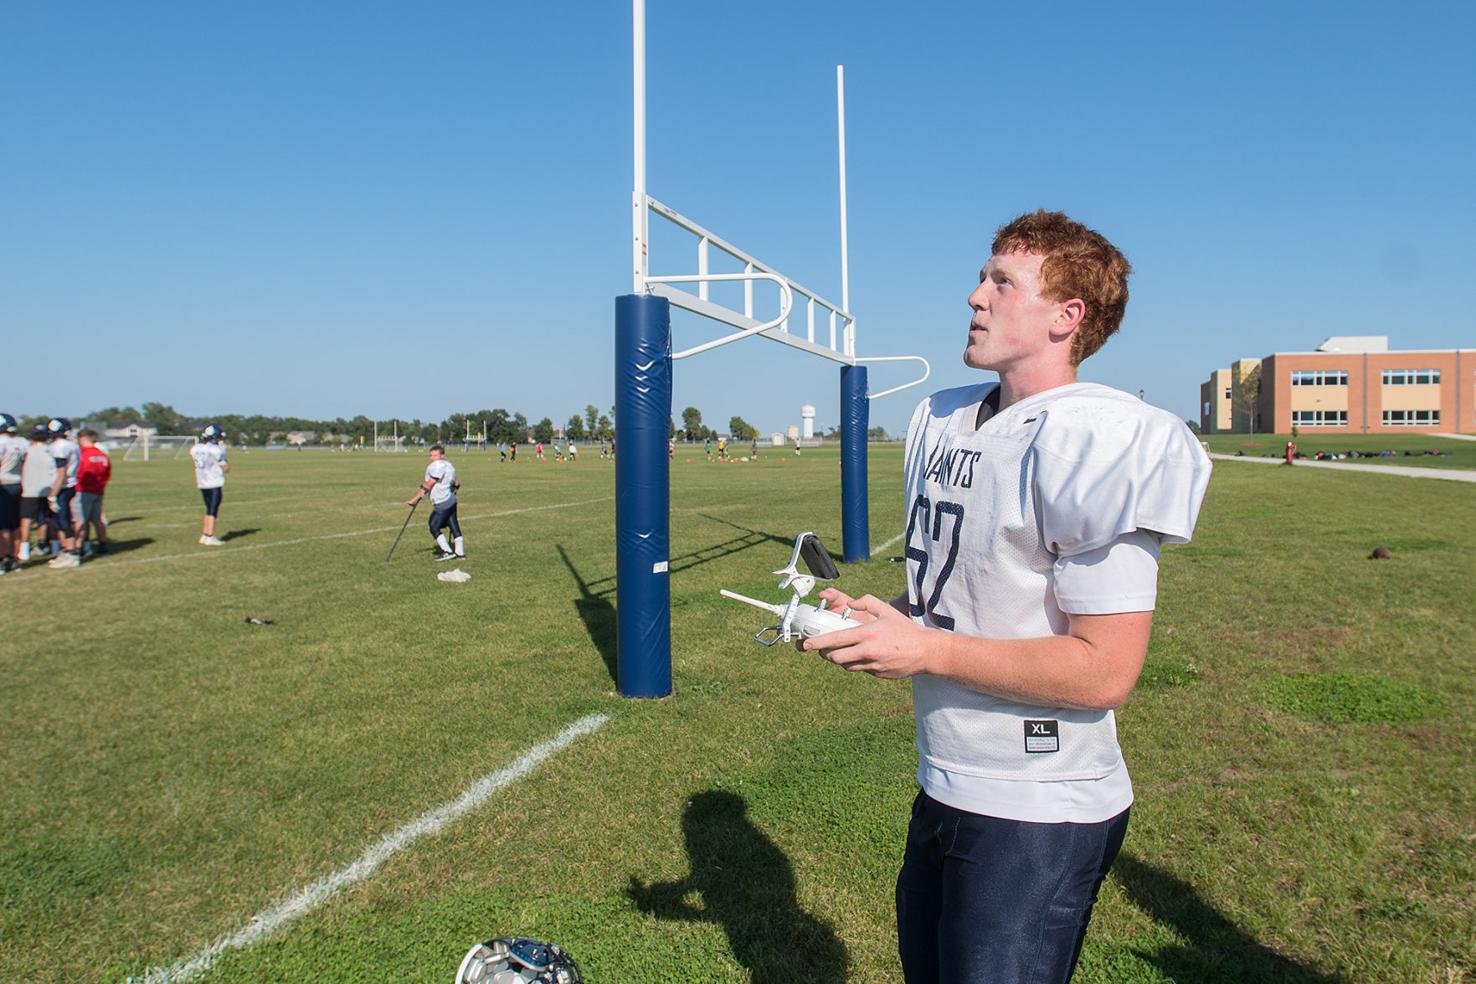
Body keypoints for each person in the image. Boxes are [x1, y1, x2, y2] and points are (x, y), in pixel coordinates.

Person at [803, 210, 1211, 984]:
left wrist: (927, 650)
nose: (974, 296)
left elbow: (1105, 670)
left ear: (1068, 317)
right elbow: (960, 587)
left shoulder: (1099, 439)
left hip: (1039, 808)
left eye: (1001, 281)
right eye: (982, 276)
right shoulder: (944, 417)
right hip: (946, 777)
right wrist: (882, 621)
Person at [406, 443, 463, 561]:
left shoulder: (437, 466)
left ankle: (447, 551)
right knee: (453, 524)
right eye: (431, 455)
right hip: (451, 500)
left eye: (435, 455)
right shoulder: (449, 465)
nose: (432, 458)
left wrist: (415, 499)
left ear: (442, 455)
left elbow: (429, 484)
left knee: (433, 526)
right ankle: (460, 553)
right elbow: (456, 482)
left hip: (442, 501)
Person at [45, 418, 82, 568]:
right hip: (69, 485)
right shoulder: (72, 445)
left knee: (63, 520)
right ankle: (66, 551)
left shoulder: (59, 447)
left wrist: (53, 494)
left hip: (62, 487)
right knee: (60, 520)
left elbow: (61, 473)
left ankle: (71, 553)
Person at [18, 425, 56, 565]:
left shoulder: (27, 450)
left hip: (29, 490)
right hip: (47, 489)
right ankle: (48, 546)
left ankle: (24, 549)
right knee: (46, 519)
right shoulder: (50, 450)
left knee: (26, 520)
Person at [190, 424, 230, 546]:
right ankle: (209, 536)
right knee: (212, 511)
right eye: (218, 437)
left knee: (208, 510)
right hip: (213, 483)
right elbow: (226, 468)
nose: (219, 440)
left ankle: (205, 534)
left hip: (202, 482)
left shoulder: (195, 448)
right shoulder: (217, 450)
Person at [75, 429, 111, 555]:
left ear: (82, 439)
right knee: (98, 519)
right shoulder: (102, 455)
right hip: (98, 490)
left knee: (80, 519)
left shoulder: (83, 454)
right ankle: (103, 544)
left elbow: (80, 473)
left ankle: (78, 547)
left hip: (83, 490)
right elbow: (107, 473)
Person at [0, 414, 24, 573]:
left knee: (3, 526)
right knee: (15, 525)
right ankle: (14, 559)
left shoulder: (2, 443)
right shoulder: (21, 442)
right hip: (18, 484)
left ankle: (1, 560)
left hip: (4, 485)